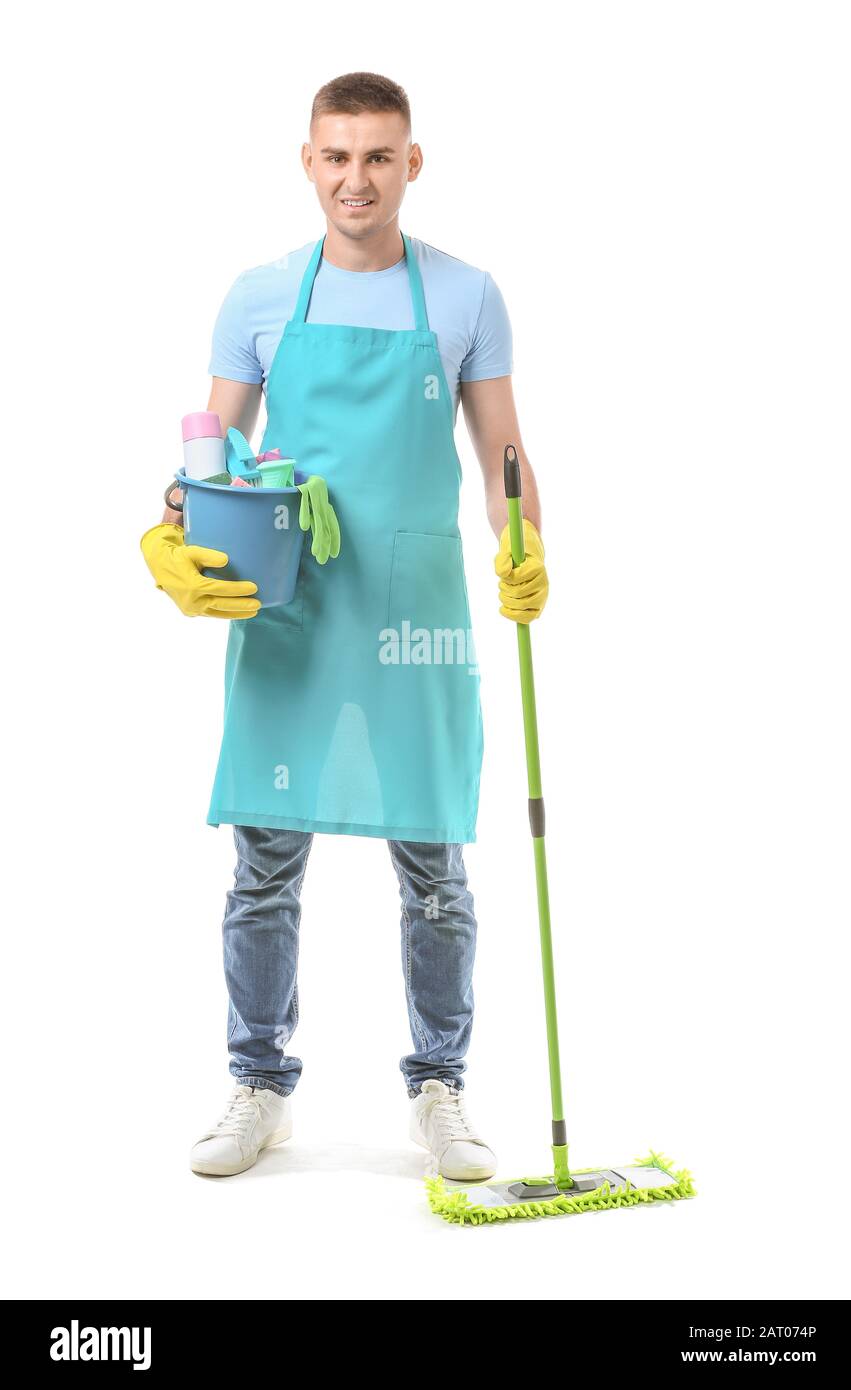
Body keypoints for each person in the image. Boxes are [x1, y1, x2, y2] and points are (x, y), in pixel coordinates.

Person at [141, 71, 548, 1180]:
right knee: (265, 861)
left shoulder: (465, 295)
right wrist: (169, 534)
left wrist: (524, 546)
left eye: (377, 156)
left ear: (410, 164)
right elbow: (204, 461)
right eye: (336, 155)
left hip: (417, 614)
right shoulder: (259, 296)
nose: (355, 177)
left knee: (435, 863)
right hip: (294, 608)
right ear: (307, 162)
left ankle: (439, 1087)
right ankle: (257, 1083)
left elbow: (502, 455)